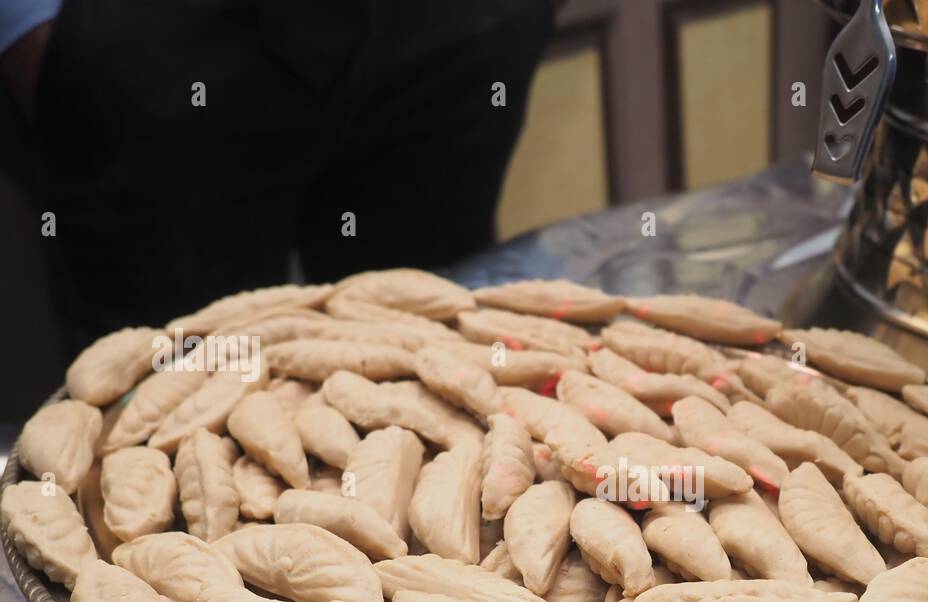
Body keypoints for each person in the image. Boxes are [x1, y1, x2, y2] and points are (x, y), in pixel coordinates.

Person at [1, 0, 556, 357]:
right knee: (170, 391)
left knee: (441, 357)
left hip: (449, 25)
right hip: (160, 36)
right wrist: (28, 22)